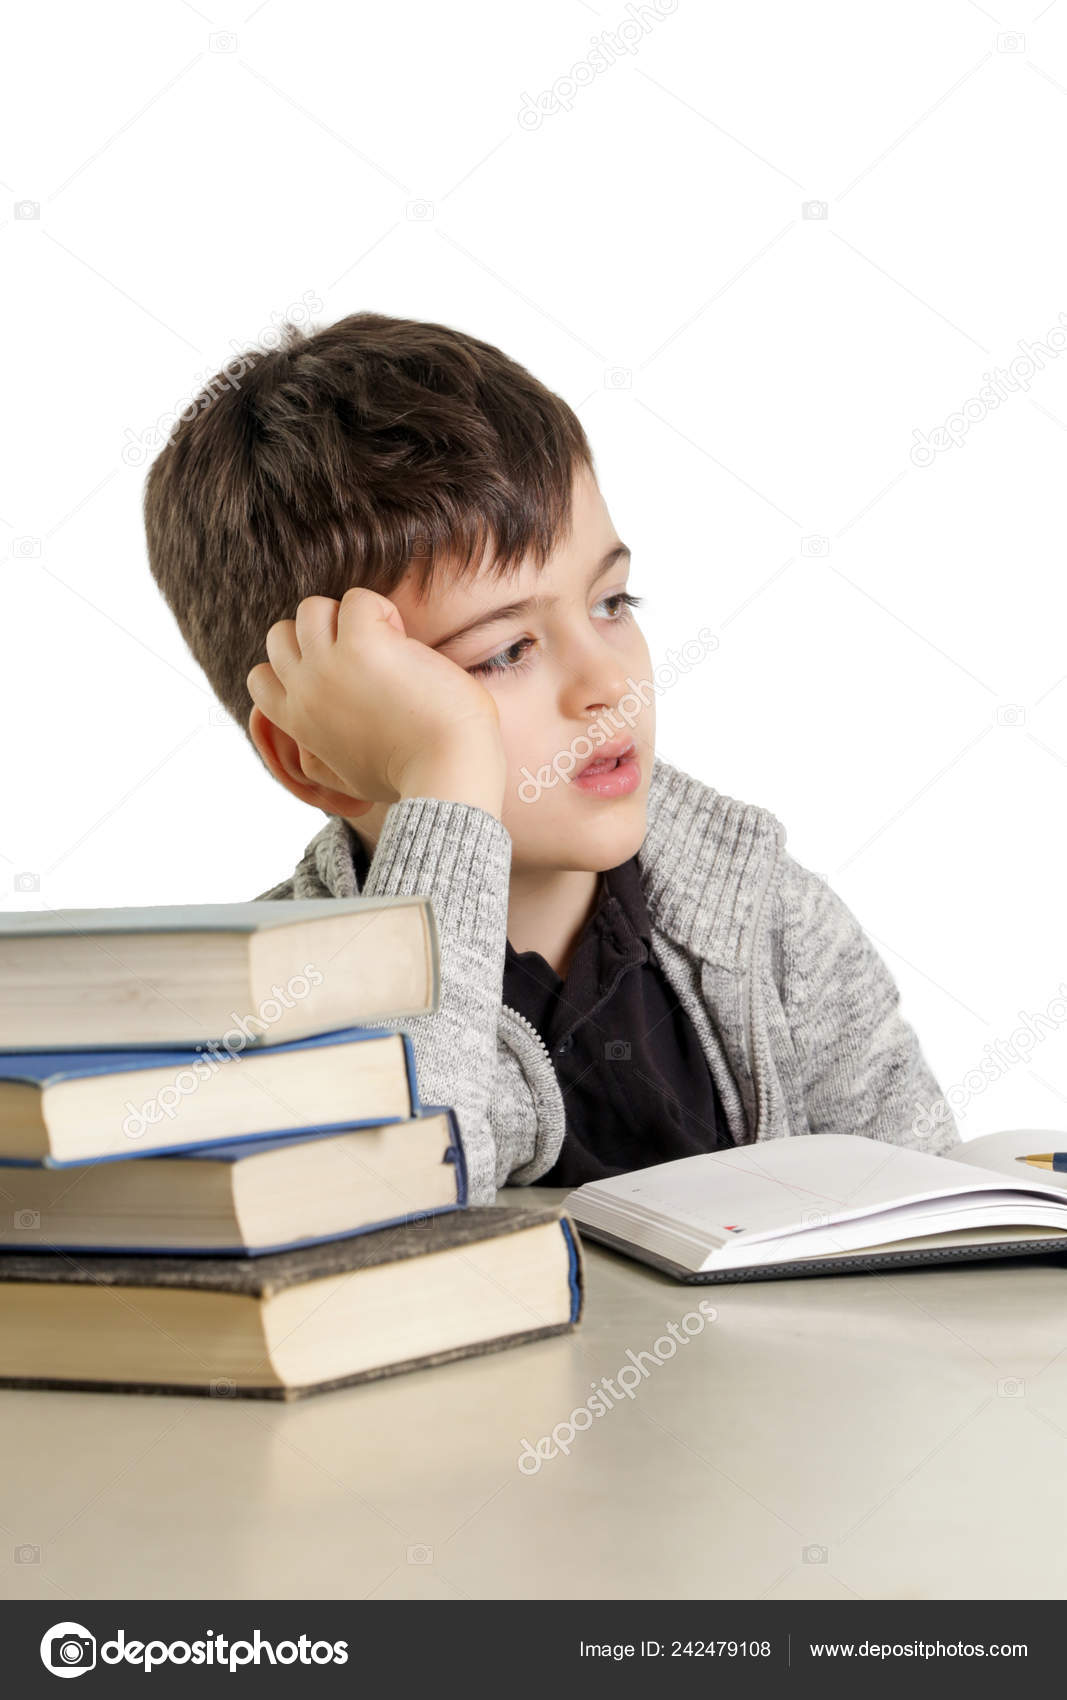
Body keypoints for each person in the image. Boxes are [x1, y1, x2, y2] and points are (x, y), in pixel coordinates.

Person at [143, 311, 959, 1202]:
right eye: (503, 654)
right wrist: (447, 778)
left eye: (612, 600)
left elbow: (932, 1221)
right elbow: (394, 1187)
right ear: (316, 757)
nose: (605, 681)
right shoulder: (277, 995)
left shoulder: (765, 917)